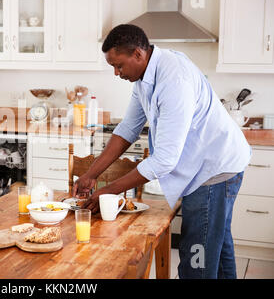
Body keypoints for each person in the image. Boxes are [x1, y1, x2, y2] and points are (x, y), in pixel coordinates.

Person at [72, 24, 251, 279]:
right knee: (218, 246)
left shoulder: (174, 80)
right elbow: (127, 129)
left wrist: (107, 192)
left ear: (137, 54)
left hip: (214, 171)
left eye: (119, 65)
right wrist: (91, 175)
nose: (115, 72)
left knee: (196, 257)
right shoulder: (144, 77)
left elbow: (164, 160)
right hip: (206, 164)